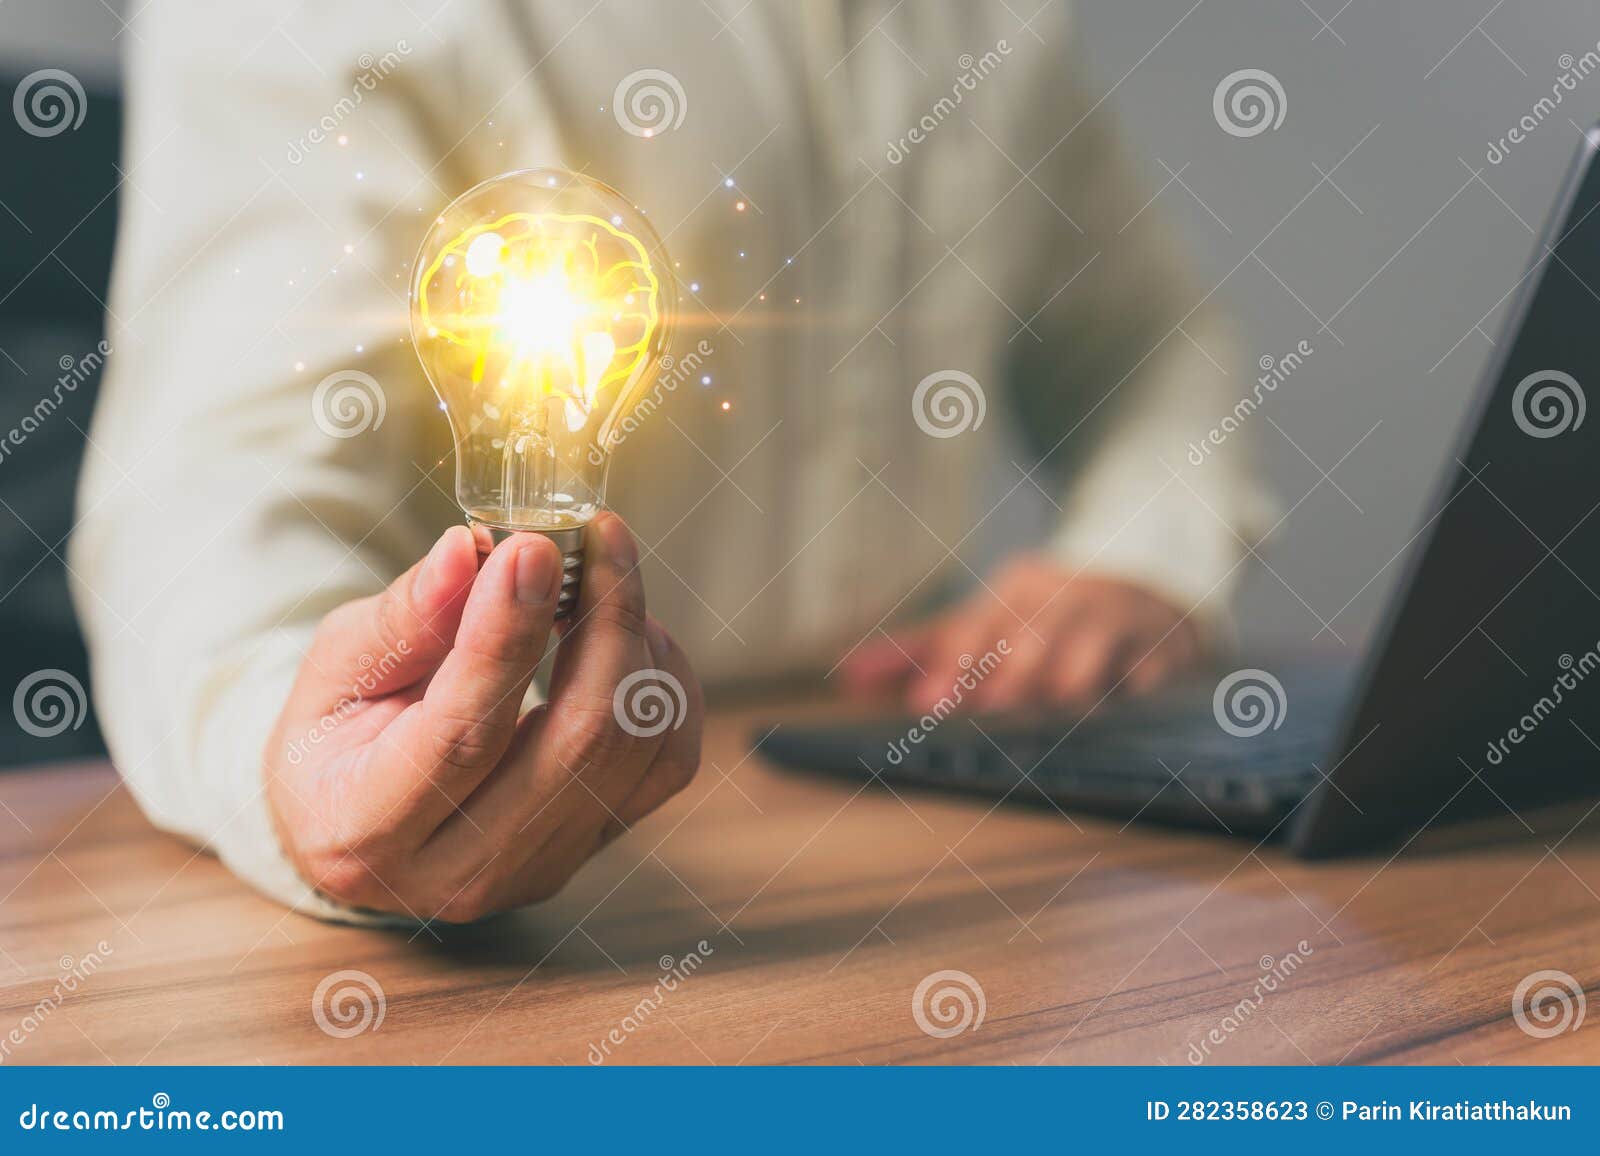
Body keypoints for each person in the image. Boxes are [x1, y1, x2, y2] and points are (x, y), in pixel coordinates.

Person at [71, 1, 1270, 923]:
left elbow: (1146, 340)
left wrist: (1139, 555)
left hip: (912, 782)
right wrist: (304, 774)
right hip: (559, 858)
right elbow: (211, 495)